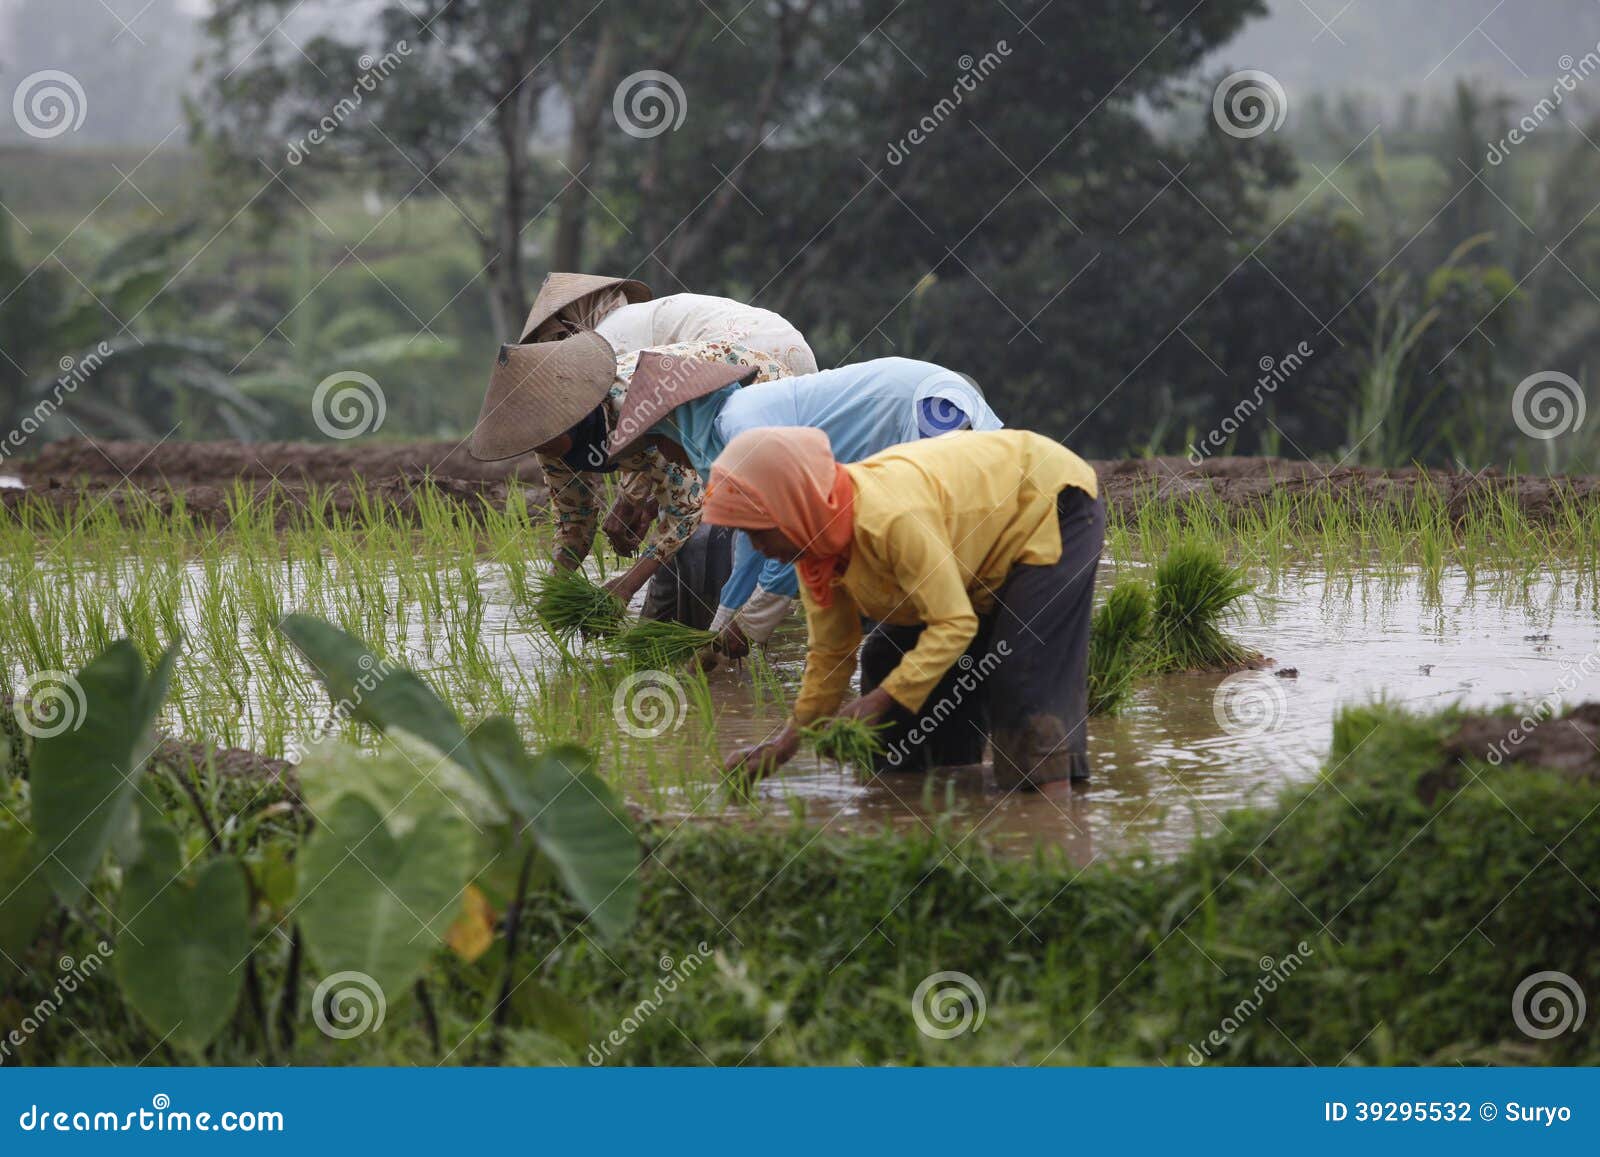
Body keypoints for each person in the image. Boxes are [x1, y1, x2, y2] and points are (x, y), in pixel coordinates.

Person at [703, 427, 1103, 792]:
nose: (757, 547)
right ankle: (933, 800)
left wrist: (877, 702)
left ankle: (1051, 827)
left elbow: (953, 624)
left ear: (792, 503)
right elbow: (831, 655)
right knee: (886, 657)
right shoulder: (818, 553)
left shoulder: (889, 518)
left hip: (1050, 503)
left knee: (1021, 671)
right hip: (975, 556)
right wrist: (783, 747)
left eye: (758, 531)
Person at [601, 357, 1002, 657]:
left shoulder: (743, 429)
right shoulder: (734, 431)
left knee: (944, 565)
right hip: (915, 417)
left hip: (922, 407)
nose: (668, 457)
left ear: (678, 425)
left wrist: (749, 628)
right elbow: (752, 550)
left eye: (660, 443)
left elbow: (798, 537)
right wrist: (719, 631)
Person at [472, 272, 814, 610]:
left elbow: (686, 505)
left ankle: (737, 627)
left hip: (759, 381)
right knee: (717, 545)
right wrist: (555, 587)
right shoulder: (548, 433)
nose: (538, 445)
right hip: (757, 353)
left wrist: (628, 583)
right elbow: (574, 516)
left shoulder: (624, 381)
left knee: (720, 540)